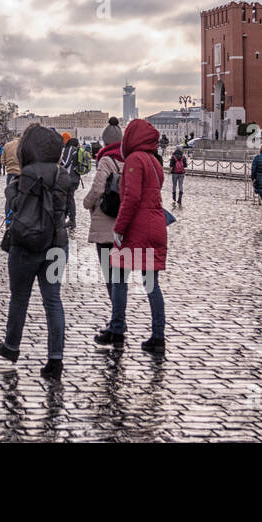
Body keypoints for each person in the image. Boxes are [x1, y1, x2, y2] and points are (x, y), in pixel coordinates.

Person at [0, 125, 71, 379]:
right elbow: (66, 208)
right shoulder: (62, 175)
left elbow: (16, 206)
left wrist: (11, 190)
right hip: (56, 243)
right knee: (53, 300)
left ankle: (12, 346)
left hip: (26, 243)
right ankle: (55, 358)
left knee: (19, 297)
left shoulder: (26, 174)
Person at [108, 118, 168, 354]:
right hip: (156, 226)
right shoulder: (154, 161)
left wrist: (120, 228)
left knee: (119, 277)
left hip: (137, 228)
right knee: (152, 284)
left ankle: (117, 327)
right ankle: (158, 334)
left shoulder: (134, 160)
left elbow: (131, 198)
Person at [84, 136, 126, 347]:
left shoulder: (106, 160)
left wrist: (86, 202)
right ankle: (118, 320)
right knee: (121, 279)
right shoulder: (130, 158)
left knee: (111, 279)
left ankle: (117, 323)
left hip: (106, 224)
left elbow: (99, 188)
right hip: (125, 225)